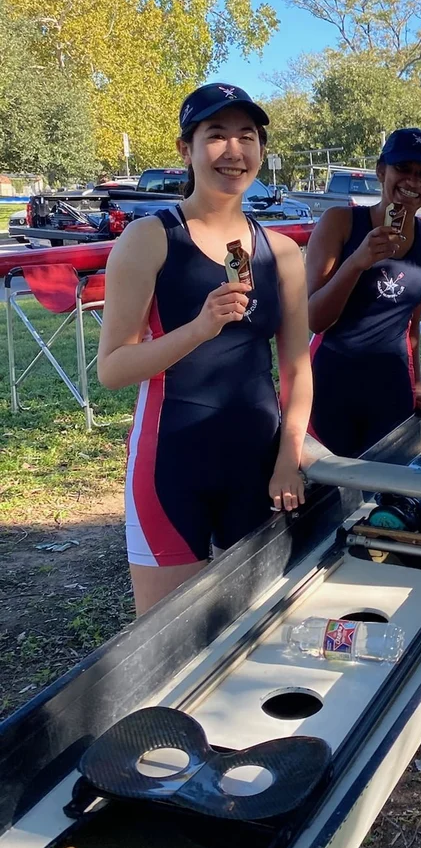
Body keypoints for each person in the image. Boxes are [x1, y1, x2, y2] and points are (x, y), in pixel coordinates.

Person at [97, 83, 313, 617]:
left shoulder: (281, 252)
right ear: (185, 149)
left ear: (262, 150)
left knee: (256, 624)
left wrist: (289, 457)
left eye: (246, 136)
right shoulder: (150, 238)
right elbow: (112, 369)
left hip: (257, 461)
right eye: (215, 135)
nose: (233, 150)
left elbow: (296, 367)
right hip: (171, 463)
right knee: (167, 639)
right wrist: (198, 328)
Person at [307, 128, 421, 457]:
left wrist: (417, 385)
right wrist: (357, 261)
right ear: (381, 170)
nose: (413, 182)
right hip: (332, 381)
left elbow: (412, 322)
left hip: (391, 383)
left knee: (386, 492)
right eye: (403, 169)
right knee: (333, 497)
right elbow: (315, 319)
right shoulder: (340, 222)